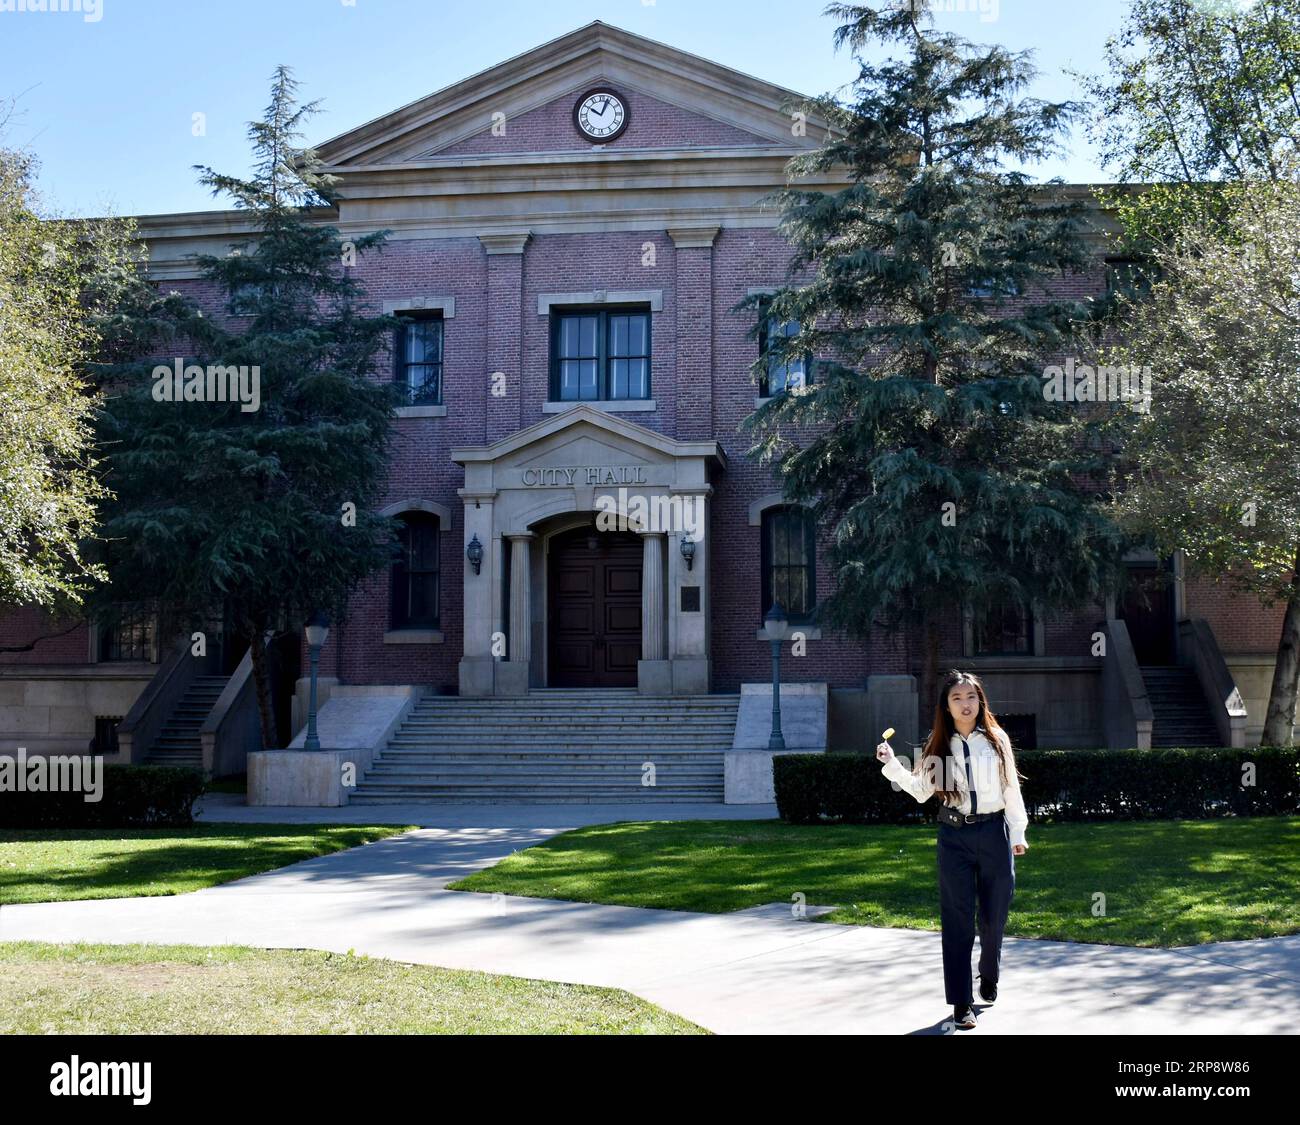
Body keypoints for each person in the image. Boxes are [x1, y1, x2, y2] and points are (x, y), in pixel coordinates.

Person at [876, 669, 1029, 1031]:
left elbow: (1010, 789)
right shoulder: (940, 744)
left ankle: (988, 973)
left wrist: (1018, 832)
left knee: (994, 916)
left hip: (995, 834)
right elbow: (920, 790)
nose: (965, 704)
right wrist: (891, 764)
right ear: (946, 705)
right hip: (954, 838)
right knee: (958, 920)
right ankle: (961, 1002)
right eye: (957, 698)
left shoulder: (996, 740)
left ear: (980, 701)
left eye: (971, 697)